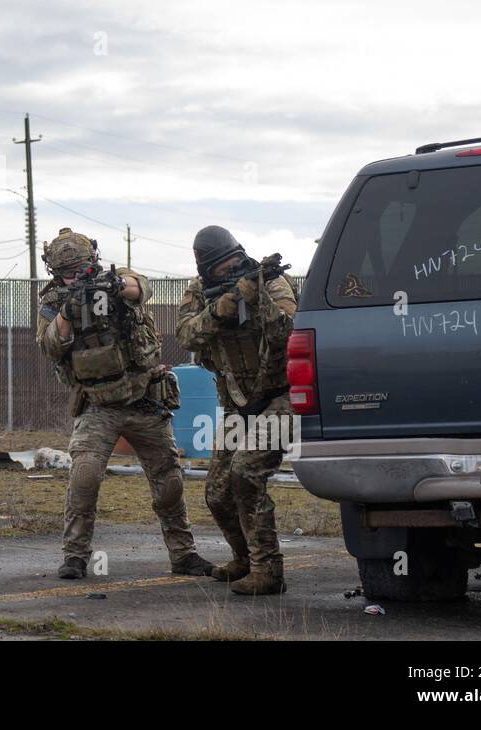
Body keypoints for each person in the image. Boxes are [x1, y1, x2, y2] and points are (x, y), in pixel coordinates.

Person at [36, 227, 215, 581]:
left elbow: (140, 287)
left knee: (169, 482)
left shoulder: (116, 280)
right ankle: (75, 557)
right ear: (57, 273)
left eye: (82, 269)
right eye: (68, 273)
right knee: (84, 479)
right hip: (97, 406)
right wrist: (69, 313)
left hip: (143, 398)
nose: (77, 277)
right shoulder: (54, 303)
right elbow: (50, 345)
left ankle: (183, 554)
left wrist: (114, 287)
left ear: (94, 261)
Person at [176, 225, 297, 595]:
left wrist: (254, 298)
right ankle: (245, 560)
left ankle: (268, 570)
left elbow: (288, 334)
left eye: (232, 262)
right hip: (237, 405)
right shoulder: (200, 292)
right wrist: (223, 309)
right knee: (217, 492)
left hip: (280, 398)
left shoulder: (270, 282)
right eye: (219, 267)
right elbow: (185, 334)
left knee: (245, 473)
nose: (228, 270)